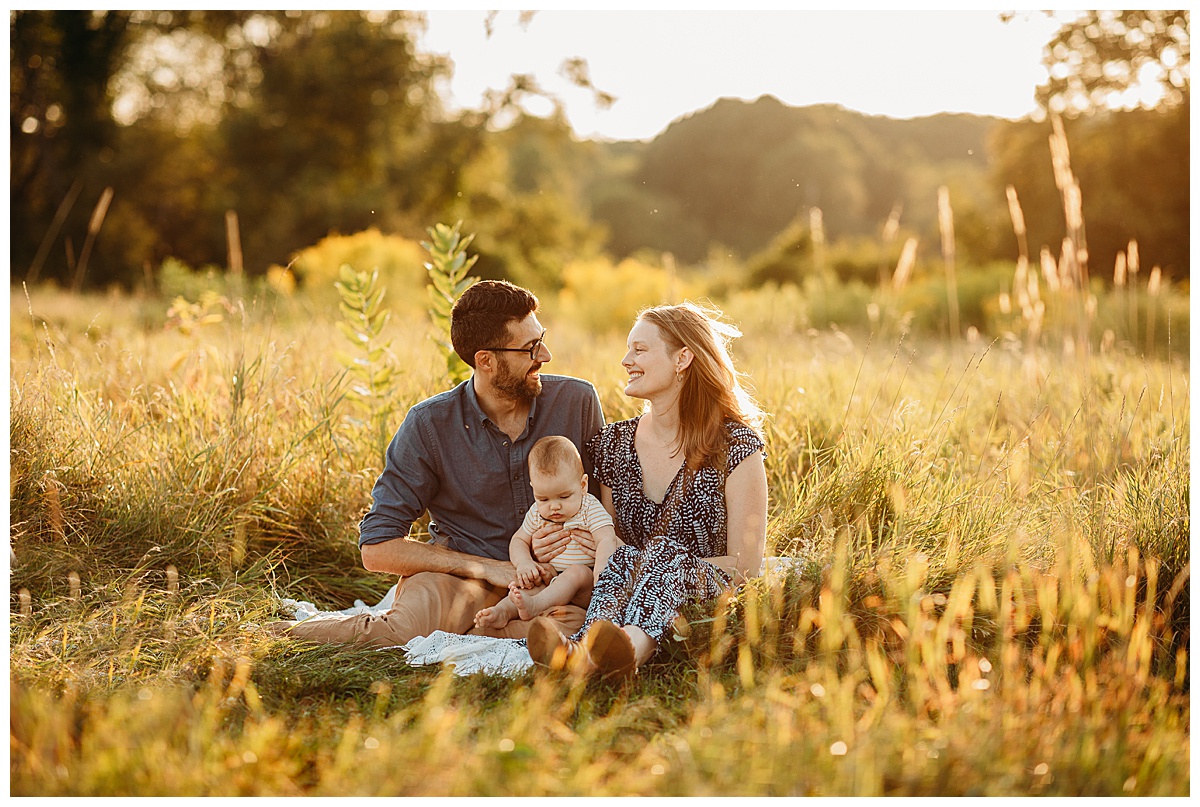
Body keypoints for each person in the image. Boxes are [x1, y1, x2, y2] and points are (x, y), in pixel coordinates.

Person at [271, 280, 606, 647]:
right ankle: (266, 636)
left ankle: (473, 633)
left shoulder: (577, 401)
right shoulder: (429, 424)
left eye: (540, 338)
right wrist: (487, 568)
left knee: (573, 630)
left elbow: (607, 504)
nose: (545, 355)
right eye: (529, 348)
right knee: (398, 633)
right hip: (459, 580)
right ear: (486, 361)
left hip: (552, 584)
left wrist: (575, 552)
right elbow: (377, 548)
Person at [525, 301, 768, 679]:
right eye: (627, 349)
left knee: (661, 556)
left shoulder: (735, 447)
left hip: (705, 595)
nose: (625, 360)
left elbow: (746, 567)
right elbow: (607, 544)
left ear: (682, 358)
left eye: (639, 349)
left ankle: (625, 651)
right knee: (624, 560)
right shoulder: (612, 445)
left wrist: (659, 560)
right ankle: (591, 647)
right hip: (627, 584)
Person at [473, 436, 618, 630]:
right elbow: (518, 540)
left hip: (587, 585)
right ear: (534, 490)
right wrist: (525, 562)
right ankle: (503, 611)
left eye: (564, 496)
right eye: (543, 498)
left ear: (583, 486)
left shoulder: (589, 507)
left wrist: (602, 573)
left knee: (576, 573)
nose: (554, 506)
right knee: (528, 585)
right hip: (551, 579)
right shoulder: (536, 512)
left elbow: (606, 538)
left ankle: (535, 606)